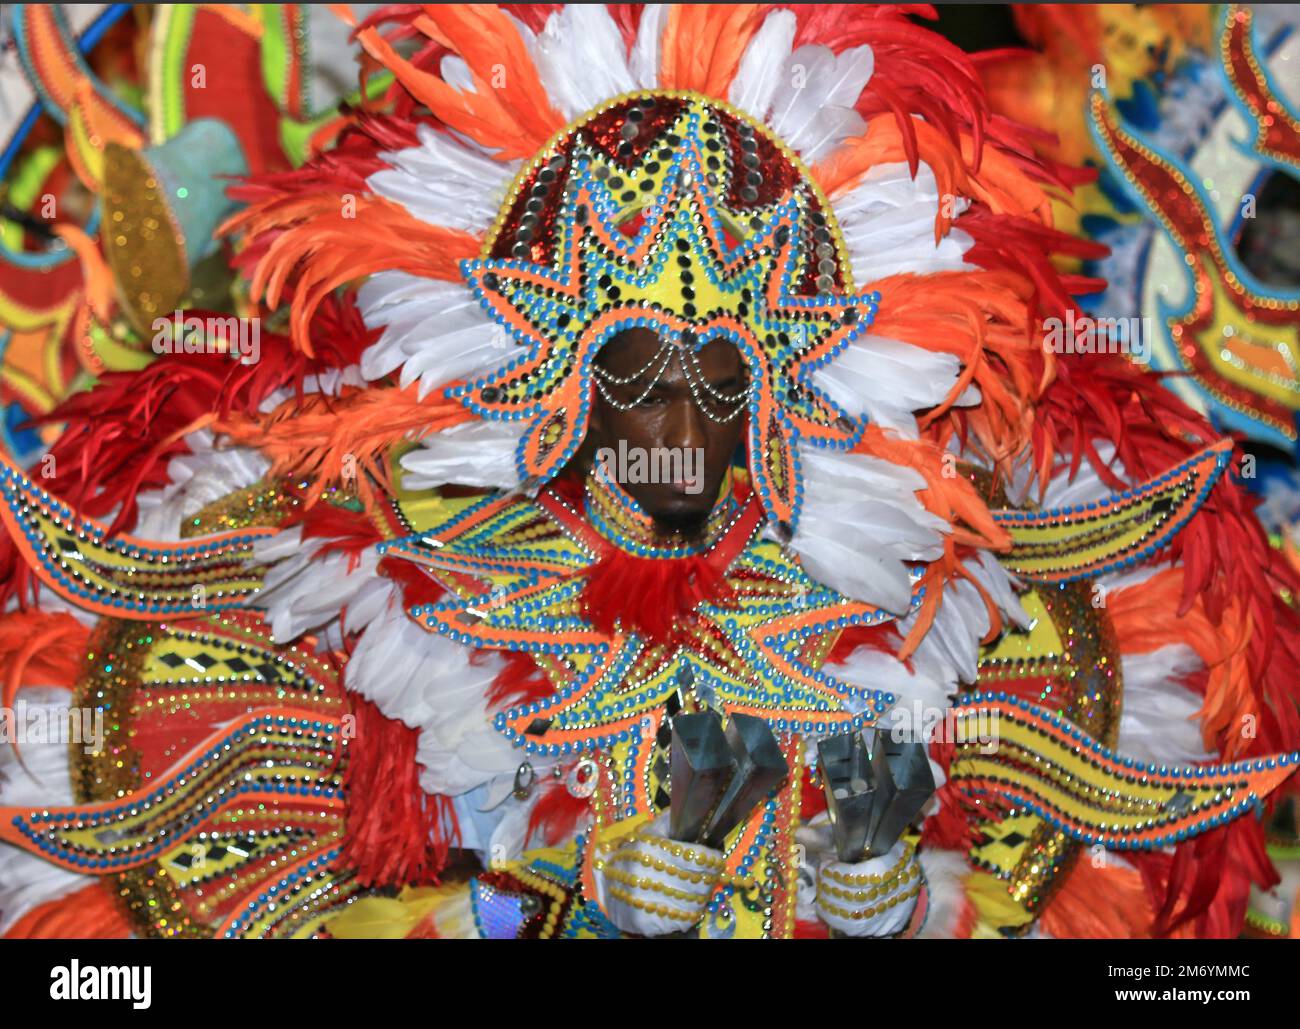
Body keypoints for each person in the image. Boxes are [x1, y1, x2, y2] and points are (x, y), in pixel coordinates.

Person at [1, 4, 1298, 941]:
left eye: (724, 375)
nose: (678, 413)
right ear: (550, 384)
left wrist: (892, 895)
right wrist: (543, 900)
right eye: (629, 372)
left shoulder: (919, 595)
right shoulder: (398, 597)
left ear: (787, 398)